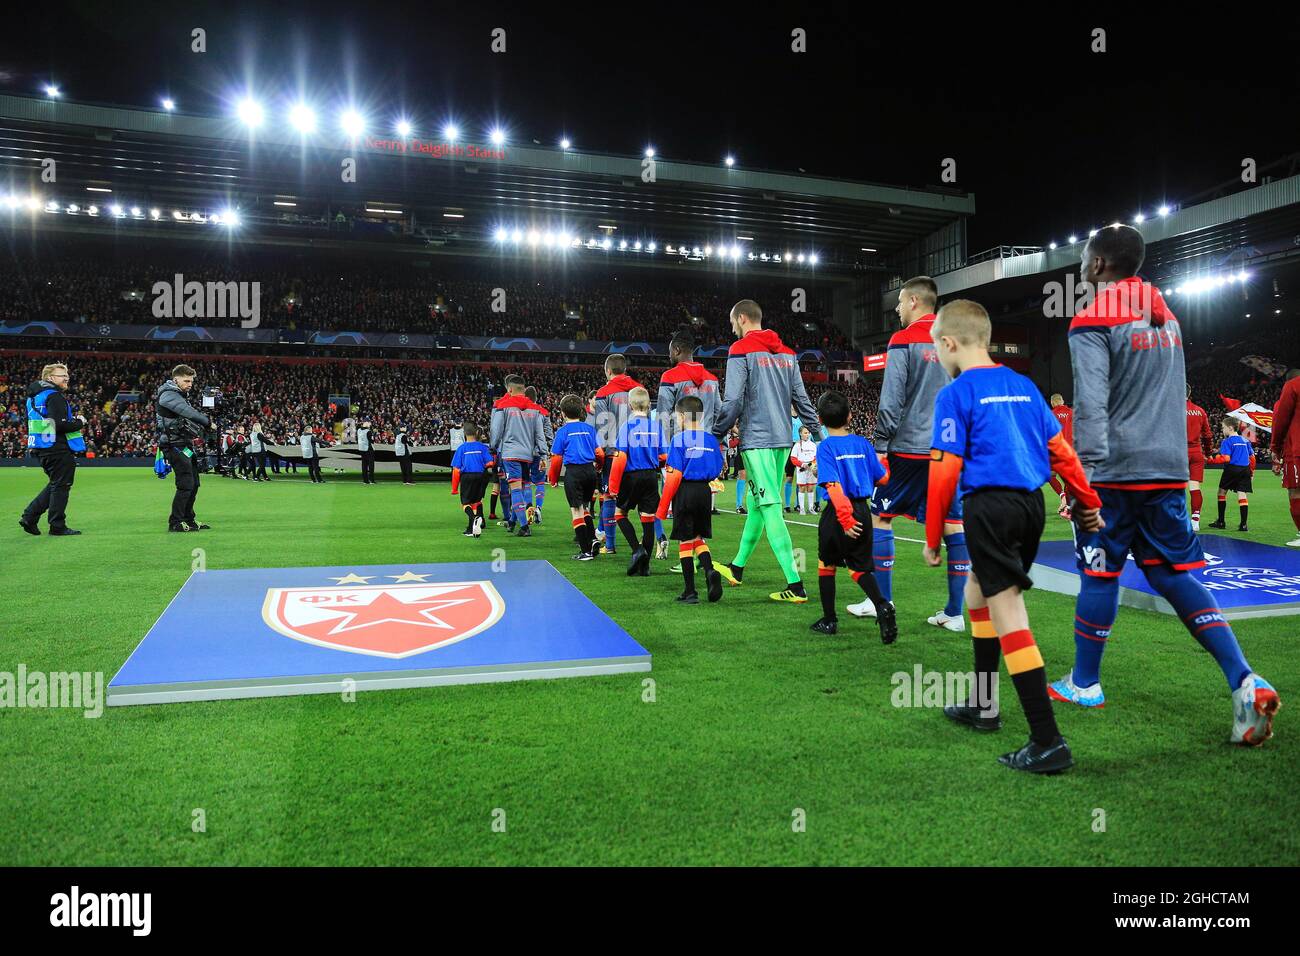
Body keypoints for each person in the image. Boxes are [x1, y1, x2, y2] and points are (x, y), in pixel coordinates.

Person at [1049, 224, 1278, 746]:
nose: (1082, 268)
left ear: (1100, 264)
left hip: (1115, 471)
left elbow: (1092, 405)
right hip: (1169, 468)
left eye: (1085, 259)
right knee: (1174, 577)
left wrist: (1080, 484)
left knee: (1100, 574)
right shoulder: (1164, 315)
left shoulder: (1092, 317)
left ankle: (1084, 682)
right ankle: (1245, 679)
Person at [924, 300, 1102, 773]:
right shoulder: (1024, 386)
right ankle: (984, 704)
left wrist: (931, 534)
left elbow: (943, 470)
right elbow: (1062, 453)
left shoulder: (956, 393)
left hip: (990, 508)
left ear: (949, 343)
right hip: (1030, 507)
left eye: (936, 349)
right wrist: (1087, 502)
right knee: (975, 590)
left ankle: (1048, 740)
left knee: (1008, 613)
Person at [871, 276, 970, 633]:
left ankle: (880, 602)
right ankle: (955, 613)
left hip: (909, 449)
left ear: (914, 301)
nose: (896, 309)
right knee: (953, 525)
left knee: (881, 518)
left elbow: (892, 399)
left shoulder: (904, 339)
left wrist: (881, 444)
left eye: (899, 302)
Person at [711, 300, 820, 604]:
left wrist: (715, 435)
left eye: (734, 323)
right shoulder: (787, 353)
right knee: (757, 504)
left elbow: (732, 402)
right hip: (783, 440)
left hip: (757, 440)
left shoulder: (741, 350)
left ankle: (795, 584)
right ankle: (737, 567)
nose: (733, 328)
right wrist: (822, 435)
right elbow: (801, 398)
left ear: (742, 318)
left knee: (769, 505)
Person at [809, 391, 895, 641]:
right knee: (859, 567)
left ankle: (829, 619)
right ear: (849, 416)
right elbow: (883, 478)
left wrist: (845, 520)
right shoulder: (862, 444)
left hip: (839, 513)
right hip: (863, 510)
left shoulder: (825, 447)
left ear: (820, 421)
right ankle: (882, 604)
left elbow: (833, 486)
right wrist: (887, 463)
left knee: (827, 564)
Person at [658, 395, 727, 604]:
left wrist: (662, 508)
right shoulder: (711, 440)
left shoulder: (678, 440)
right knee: (698, 537)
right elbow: (718, 469)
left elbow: (674, 476)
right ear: (702, 415)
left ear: (681, 417)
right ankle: (709, 570)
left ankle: (690, 591)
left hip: (685, 492)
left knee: (685, 541)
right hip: (704, 493)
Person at [19, 362, 86, 536]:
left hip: (41, 446)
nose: (66, 378)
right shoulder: (54, 396)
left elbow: (46, 423)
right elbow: (58, 424)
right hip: (57, 447)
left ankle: (30, 517)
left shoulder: (33, 397)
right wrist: (80, 422)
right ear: (50, 378)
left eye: (67, 376)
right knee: (61, 486)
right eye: (62, 376)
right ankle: (57, 525)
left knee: (56, 484)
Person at [608, 386, 666, 577]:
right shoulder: (656, 426)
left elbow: (620, 457)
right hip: (650, 476)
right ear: (649, 405)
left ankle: (637, 549)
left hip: (631, 477)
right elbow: (664, 456)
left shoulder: (627, 427)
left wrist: (613, 486)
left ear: (630, 405)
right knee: (648, 522)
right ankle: (645, 567)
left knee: (620, 514)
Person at [589, 355, 642, 554]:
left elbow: (603, 427)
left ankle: (610, 545)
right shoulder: (639, 389)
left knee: (609, 496)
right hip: (638, 453)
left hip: (614, 454)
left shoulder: (604, 393)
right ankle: (652, 541)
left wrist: (600, 456)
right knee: (646, 499)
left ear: (608, 371)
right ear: (625, 370)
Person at [154, 364, 216, 532]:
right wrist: (207, 422)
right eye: (186, 380)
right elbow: (187, 412)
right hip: (174, 445)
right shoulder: (167, 394)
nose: (190, 384)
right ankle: (175, 522)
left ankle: (189, 520)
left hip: (183, 444)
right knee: (186, 484)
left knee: (194, 483)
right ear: (175, 379)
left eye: (191, 381)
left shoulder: (179, 394)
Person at [548, 394, 606, 560]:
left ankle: (585, 551)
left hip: (574, 472)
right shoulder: (589, 429)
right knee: (585, 508)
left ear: (563, 413)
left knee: (576, 510)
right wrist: (599, 466)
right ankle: (593, 539)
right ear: (581, 410)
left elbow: (557, 458)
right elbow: (599, 453)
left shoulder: (563, 431)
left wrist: (553, 479)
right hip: (590, 472)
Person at [491, 374, 546, 537]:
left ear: (509, 389)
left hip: (510, 453)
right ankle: (514, 521)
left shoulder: (502, 406)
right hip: (528, 455)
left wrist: (493, 447)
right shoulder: (535, 409)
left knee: (514, 489)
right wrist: (543, 453)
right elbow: (539, 434)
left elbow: (496, 429)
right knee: (523, 487)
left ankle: (524, 527)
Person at [1269, 368, 1300, 547]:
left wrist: (1276, 448)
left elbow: (1280, 421)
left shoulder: (1292, 386)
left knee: (1295, 490)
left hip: (1295, 449)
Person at [1208, 419, 1254, 531]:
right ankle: (1243, 525)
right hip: (1245, 469)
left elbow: (1226, 458)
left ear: (1230, 428)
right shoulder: (1245, 440)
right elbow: (1252, 458)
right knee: (1242, 494)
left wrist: (1211, 460)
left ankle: (1221, 522)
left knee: (1221, 492)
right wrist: (1251, 473)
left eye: (1223, 427)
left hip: (1232, 469)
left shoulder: (1227, 441)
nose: (1222, 430)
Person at [449, 423, 493, 537]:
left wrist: (454, 488)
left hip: (467, 477)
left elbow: (456, 470)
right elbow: (490, 463)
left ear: (465, 434)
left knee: (465, 504)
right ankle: (471, 529)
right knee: (476, 502)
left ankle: (474, 519)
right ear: (476, 433)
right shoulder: (482, 447)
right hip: (481, 476)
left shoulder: (461, 448)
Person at [1185, 385, 1213, 530]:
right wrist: (1208, 453)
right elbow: (1207, 435)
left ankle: (1173, 519)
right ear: (1190, 393)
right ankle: (1195, 520)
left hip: (1178, 452)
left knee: (1173, 487)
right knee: (1194, 487)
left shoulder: (1171, 409)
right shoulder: (1200, 411)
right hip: (1196, 453)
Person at [524, 385, 552, 525]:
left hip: (523, 452)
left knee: (526, 481)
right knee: (540, 482)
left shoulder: (521, 411)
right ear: (536, 398)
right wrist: (549, 450)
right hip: (540, 452)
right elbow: (548, 433)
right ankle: (539, 507)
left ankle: (529, 507)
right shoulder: (543, 412)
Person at [1046, 394, 1074, 519]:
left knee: (1050, 475)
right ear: (1062, 401)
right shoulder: (1072, 413)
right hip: (1069, 451)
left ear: (1052, 403)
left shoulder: (1050, 414)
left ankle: (1063, 497)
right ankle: (1067, 505)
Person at [791, 425, 818, 515]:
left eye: (808, 433)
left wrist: (811, 465)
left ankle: (811, 508)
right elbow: (793, 458)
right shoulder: (797, 445)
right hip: (801, 469)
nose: (807, 434)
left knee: (810, 488)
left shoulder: (813, 445)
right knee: (802, 488)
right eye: (805, 433)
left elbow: (815, 457)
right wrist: (802, 464)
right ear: (800, 433)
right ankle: (802, 509)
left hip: (811, 468)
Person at [357, 418, 376, 484]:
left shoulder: (359, 430)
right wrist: (374, 435)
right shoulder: (368, 431)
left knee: (364, 465)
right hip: (368, 449)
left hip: (361, 449)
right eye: (369, 422)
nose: (370, 424)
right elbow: (372, 441)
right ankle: (371, 480)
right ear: (366, 422)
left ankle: (365, 480)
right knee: (371, 465)